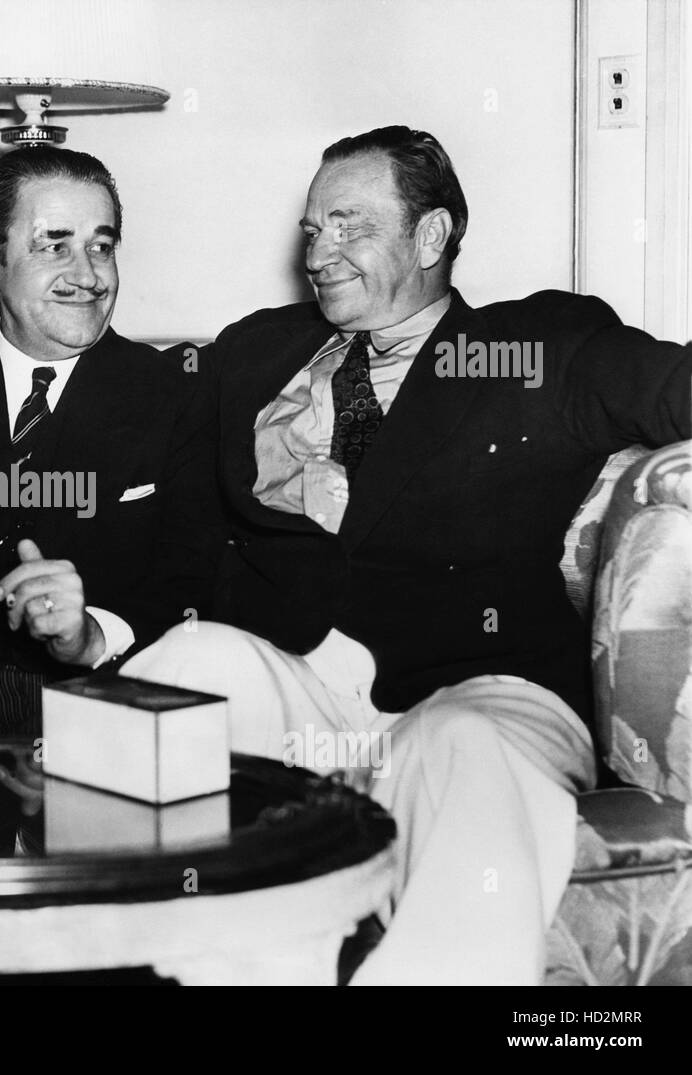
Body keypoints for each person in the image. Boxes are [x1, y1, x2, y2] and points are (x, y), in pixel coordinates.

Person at [121, 126, 692, 984]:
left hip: (486, 691)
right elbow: (135, 444)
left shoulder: (534, 344)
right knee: (181, 669)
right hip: (303, 688)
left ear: (430, 237)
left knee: (456, 740)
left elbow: (675, 388)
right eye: (314, 230)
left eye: (350, 225)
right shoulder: (256, 350)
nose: (320, 251)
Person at [0, 147, 220, 736]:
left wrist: (90, 637)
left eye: (101, 246)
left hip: (114, 711)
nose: (87, 274)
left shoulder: (178, 398)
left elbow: (195, 584)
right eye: (55, 245)